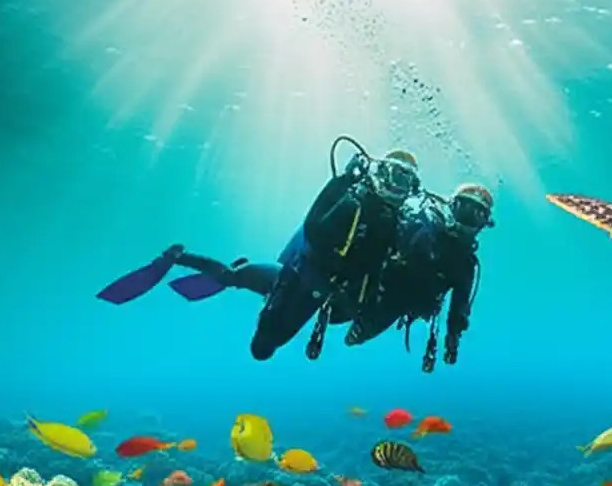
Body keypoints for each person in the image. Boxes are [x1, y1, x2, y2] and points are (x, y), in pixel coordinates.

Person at [95, 137, 420, 361]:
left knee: (264, 340)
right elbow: (315, 230)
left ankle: (245, 273)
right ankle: (179, 257)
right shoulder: (352, 199)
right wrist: (342, 184)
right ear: (379, 172)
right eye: (394, 175)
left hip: (324, 295)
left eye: (407, 181)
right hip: (297, 278)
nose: (398, 186)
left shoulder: (396, 224)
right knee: (261, 345)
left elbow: (383, 271)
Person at [344, 182, 493, 372]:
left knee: (355, 336)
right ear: (451, 207)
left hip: (401, 305)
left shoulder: (465, 264)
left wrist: (452, 339)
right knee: (344, 315)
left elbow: (459, 306)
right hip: (378, 283)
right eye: (464, 210)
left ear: (484, 224)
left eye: (477, 216)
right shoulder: (423, 224)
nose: (468, 222)